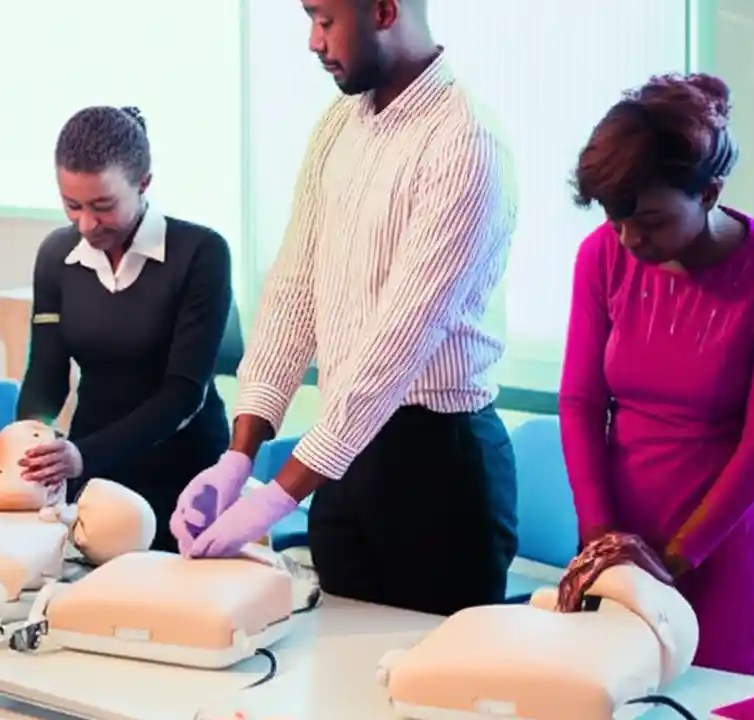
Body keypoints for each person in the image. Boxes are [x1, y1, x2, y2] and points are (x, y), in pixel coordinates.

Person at [171, 0, 519, 617]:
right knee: (333, 674)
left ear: (385, 11)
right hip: (345, 457)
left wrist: (277, 497)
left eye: (325, 20)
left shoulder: (465, 140)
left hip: (440, 464)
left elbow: (396, 345)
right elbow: (294, 288)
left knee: (431, 693)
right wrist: (239, 454)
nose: (312, 41)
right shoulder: (339, 122)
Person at [560, 72, 754, 676]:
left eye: (653, 221)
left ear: (709, 193)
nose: (631, 239)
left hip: (728, 553)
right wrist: (604, 540)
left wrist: (676, 560)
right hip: (618, 552)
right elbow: (581, 402)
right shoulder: (602, 256)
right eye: (616, 219)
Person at [16, 106, 234, 552]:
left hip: (182, 468)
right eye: (72, 206)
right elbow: (46, 374)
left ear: (143, 183)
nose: (86, 225)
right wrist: (28, 443)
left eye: (103, 206)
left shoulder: (201, 253)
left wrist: (83, 455)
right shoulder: (58, 257)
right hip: (93, 471)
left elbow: (184, 393)